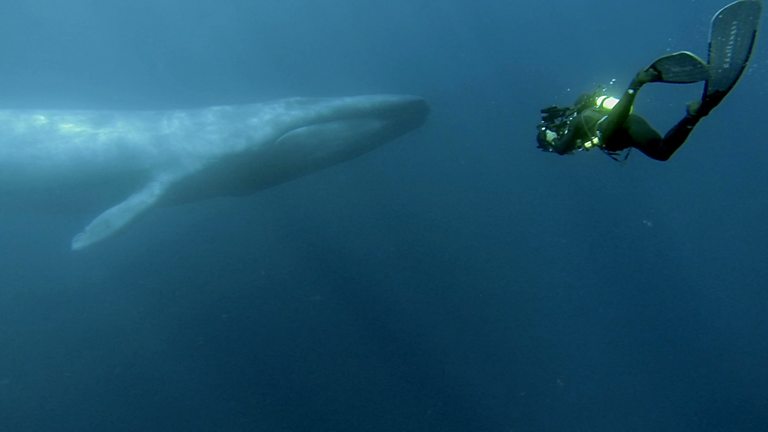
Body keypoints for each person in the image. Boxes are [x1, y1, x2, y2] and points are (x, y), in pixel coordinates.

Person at [536, 0, 762, 161]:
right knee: (662, 152)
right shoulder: (582, 112)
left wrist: (551, 142)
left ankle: (637, 83)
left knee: (606, 129)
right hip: (624, 123)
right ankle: (694, 115)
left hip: (610, 129)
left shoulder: (575, 122)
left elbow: (563, 148)